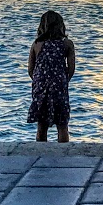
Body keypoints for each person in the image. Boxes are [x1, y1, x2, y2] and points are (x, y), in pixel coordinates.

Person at [27, 10, 76, 142]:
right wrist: (63, 80)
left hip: (40, 86)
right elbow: (71, 68)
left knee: (41, 125)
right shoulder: (67, 44)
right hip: (59, 85)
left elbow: (30, 69)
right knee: (62, 124)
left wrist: (40, 79)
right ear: (61, 26)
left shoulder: (37, 44)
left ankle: (41, 150)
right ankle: (64, 152)